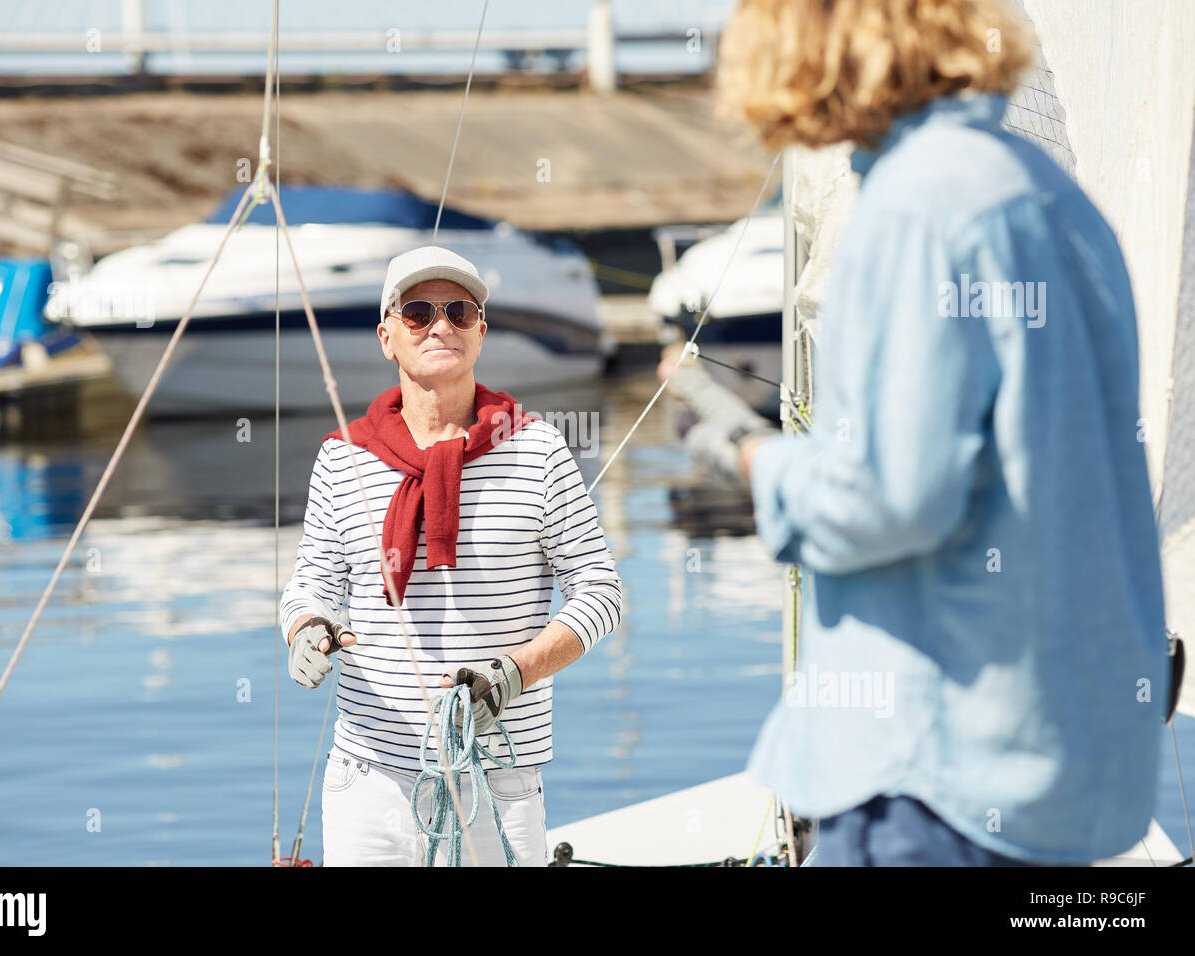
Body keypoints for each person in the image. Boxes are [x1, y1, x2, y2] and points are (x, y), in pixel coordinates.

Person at [664, 0, 1173, 865]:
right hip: (1064, 769)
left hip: (933, 776)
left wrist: (750, 456)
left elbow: (889, 499)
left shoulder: (912, 208)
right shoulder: (1056, 199)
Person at [280, 244, 623, 867]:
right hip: (366, 782)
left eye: (459, 312)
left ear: (481, 333)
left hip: (499, 776)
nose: (440, 325)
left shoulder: (539, 451)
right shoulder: (343, 458)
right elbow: (311, 585)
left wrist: (514, 672)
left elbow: (602, 593)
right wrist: (305, 628)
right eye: (417, 312)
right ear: (388, 336)